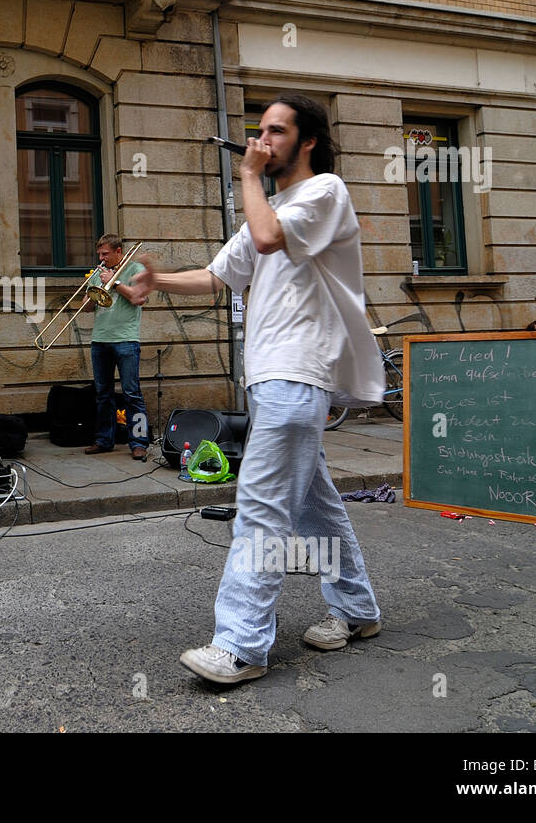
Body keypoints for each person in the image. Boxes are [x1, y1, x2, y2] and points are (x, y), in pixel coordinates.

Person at [129, 95, 383, 684]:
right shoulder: (267, 206)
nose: (262, 140)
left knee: (262, 509)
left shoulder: (326, 192)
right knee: (318, 510)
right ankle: (358, 610)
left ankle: (241, 646)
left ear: (308, 140)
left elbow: (268, 239)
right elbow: (221, 275)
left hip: (298, 373)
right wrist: (155, 281)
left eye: (276, 130)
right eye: (258, 131)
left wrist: (246, 174)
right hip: (270, 379)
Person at [80, 235, 149, 461]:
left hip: (126, 339)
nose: (101, 258)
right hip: (100, 339)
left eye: (105, 254)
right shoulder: (99, 272)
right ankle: (103, 440)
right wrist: (94, 290)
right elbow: (86, 308)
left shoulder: (136, 269)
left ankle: (139, 442)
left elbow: (139, 299)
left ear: (118, 251)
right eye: (99, 254)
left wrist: (115, 282)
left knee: (132, 394)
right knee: (103, 394)